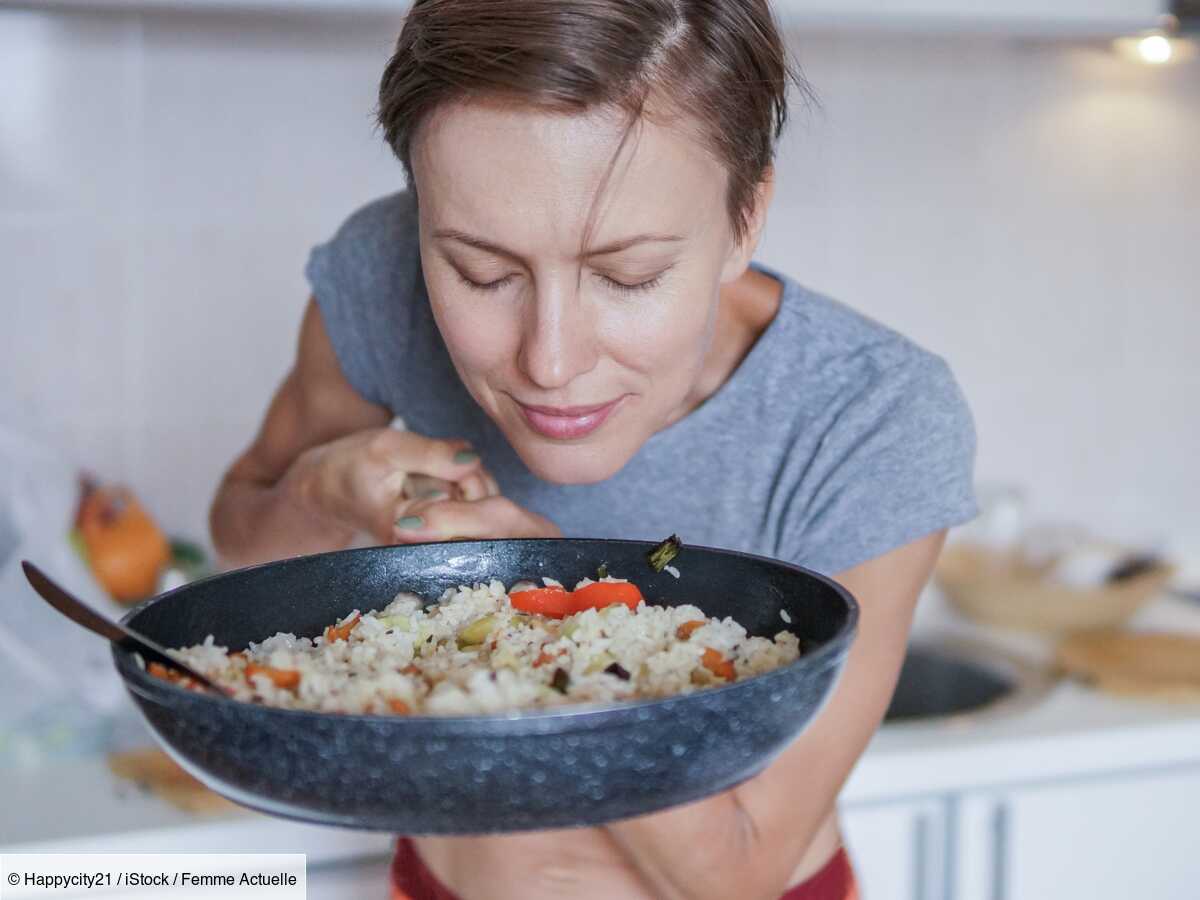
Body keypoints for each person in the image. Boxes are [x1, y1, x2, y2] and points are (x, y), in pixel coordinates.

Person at [209, 2, 978, 898]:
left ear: (745, 219)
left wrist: (554, 592)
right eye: (481, 272)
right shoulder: (378, 281)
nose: (551, 361)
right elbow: (237, 541)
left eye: (627, 276)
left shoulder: (870, 417)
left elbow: (737, 869)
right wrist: (319, 495)